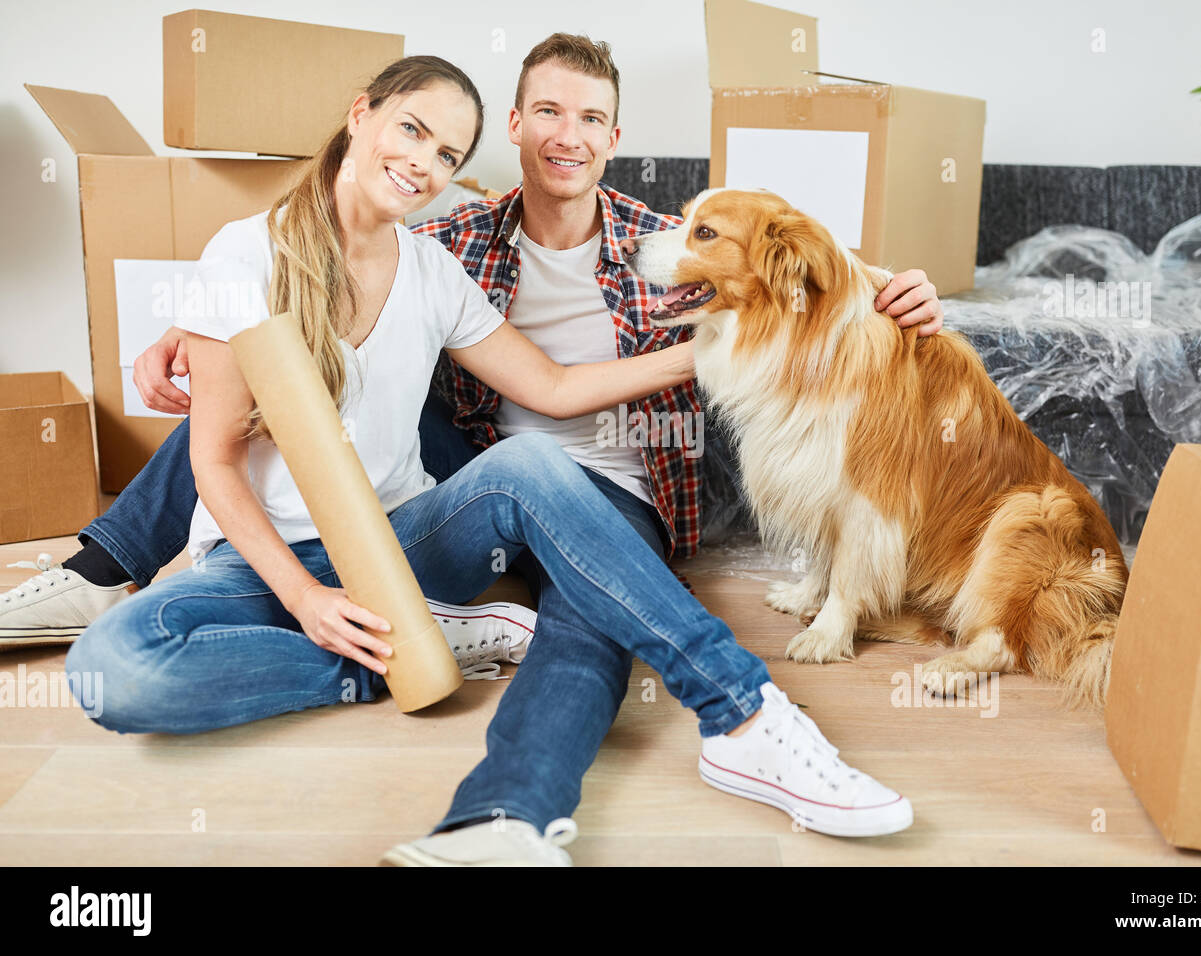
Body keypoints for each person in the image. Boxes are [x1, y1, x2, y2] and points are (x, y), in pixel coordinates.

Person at [10, 37, 944, 865]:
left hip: (516, 505)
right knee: (122, 660)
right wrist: (199, 334)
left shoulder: (658, 242)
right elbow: (219, 442)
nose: (423, 163)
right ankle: (177, 583)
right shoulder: (422, 238)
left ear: (613, 137)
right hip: (370, 508)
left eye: (591, 118)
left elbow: (792, 277)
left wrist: (897, 296)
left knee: (560, 537)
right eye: (546, 112)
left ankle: (683, 740)